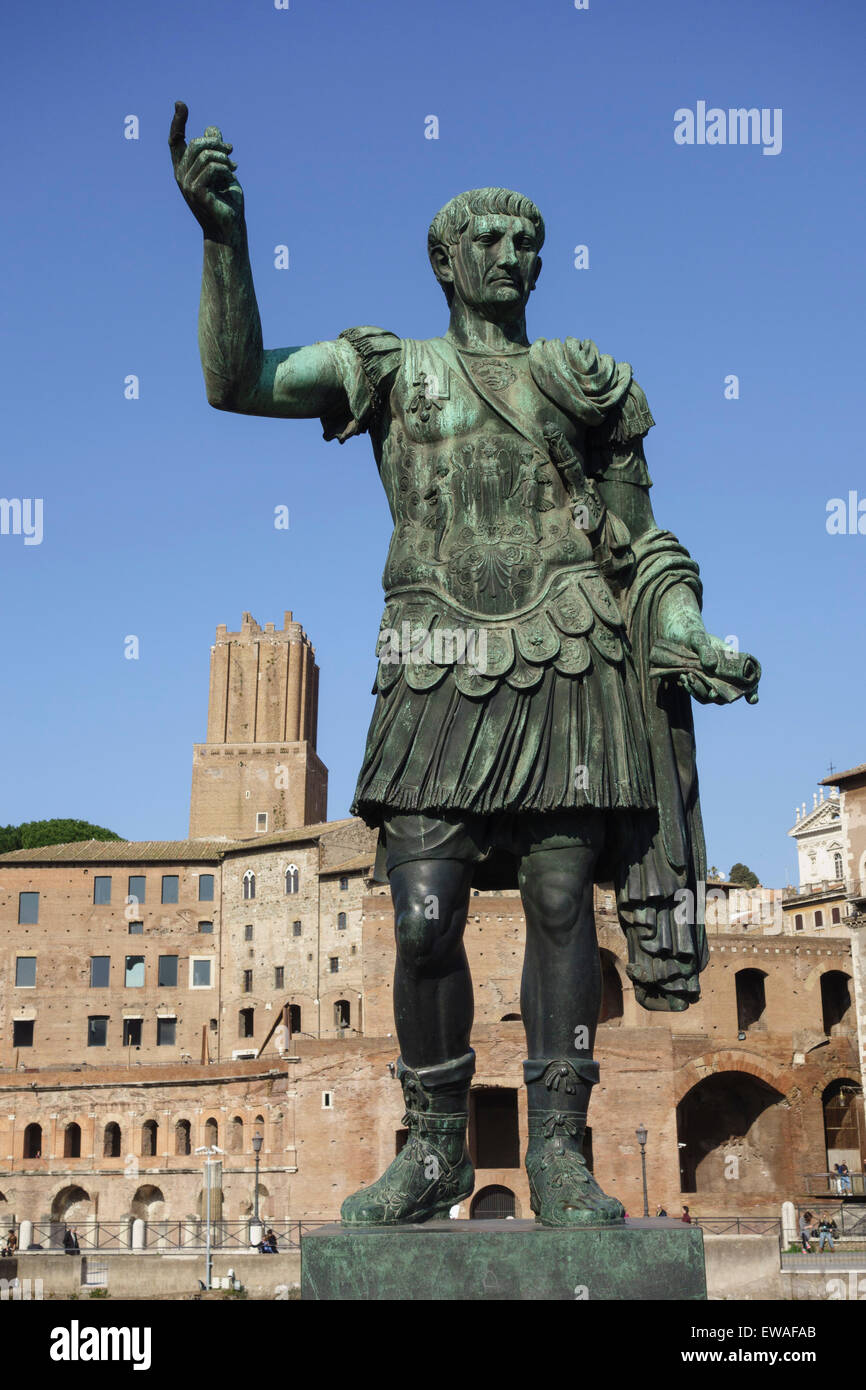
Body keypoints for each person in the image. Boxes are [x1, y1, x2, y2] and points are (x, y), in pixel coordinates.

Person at [170, 105, 761, 1229]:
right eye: (485, 238)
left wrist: (681, 625)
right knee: (427, 912)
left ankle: (558, 1151)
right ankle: (437, 1145)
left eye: (524, 239)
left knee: (554, 908)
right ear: (443, 259)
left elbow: (642, 543)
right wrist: (221, 241)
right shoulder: (390, 369)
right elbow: (235, 378)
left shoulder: (583, 381)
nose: (509, 254)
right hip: (435, 662)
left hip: (567, 654)